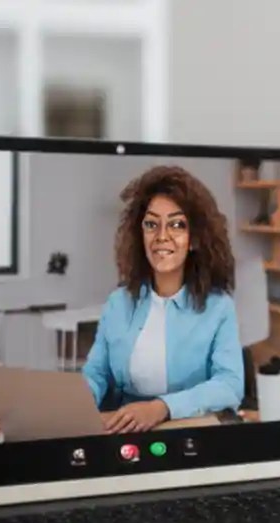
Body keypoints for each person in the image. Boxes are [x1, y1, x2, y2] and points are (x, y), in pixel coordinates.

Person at [82, 165, 244, 434]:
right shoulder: (117, 303)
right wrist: (80, 406)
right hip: (124, 429)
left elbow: (230, 385)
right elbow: (96, 373)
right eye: (151, 224)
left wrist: (161, 407)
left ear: (194, 240)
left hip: (187, 428)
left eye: (177, 225)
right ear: (140, 234)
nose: (162, 237)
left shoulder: (219, 308)